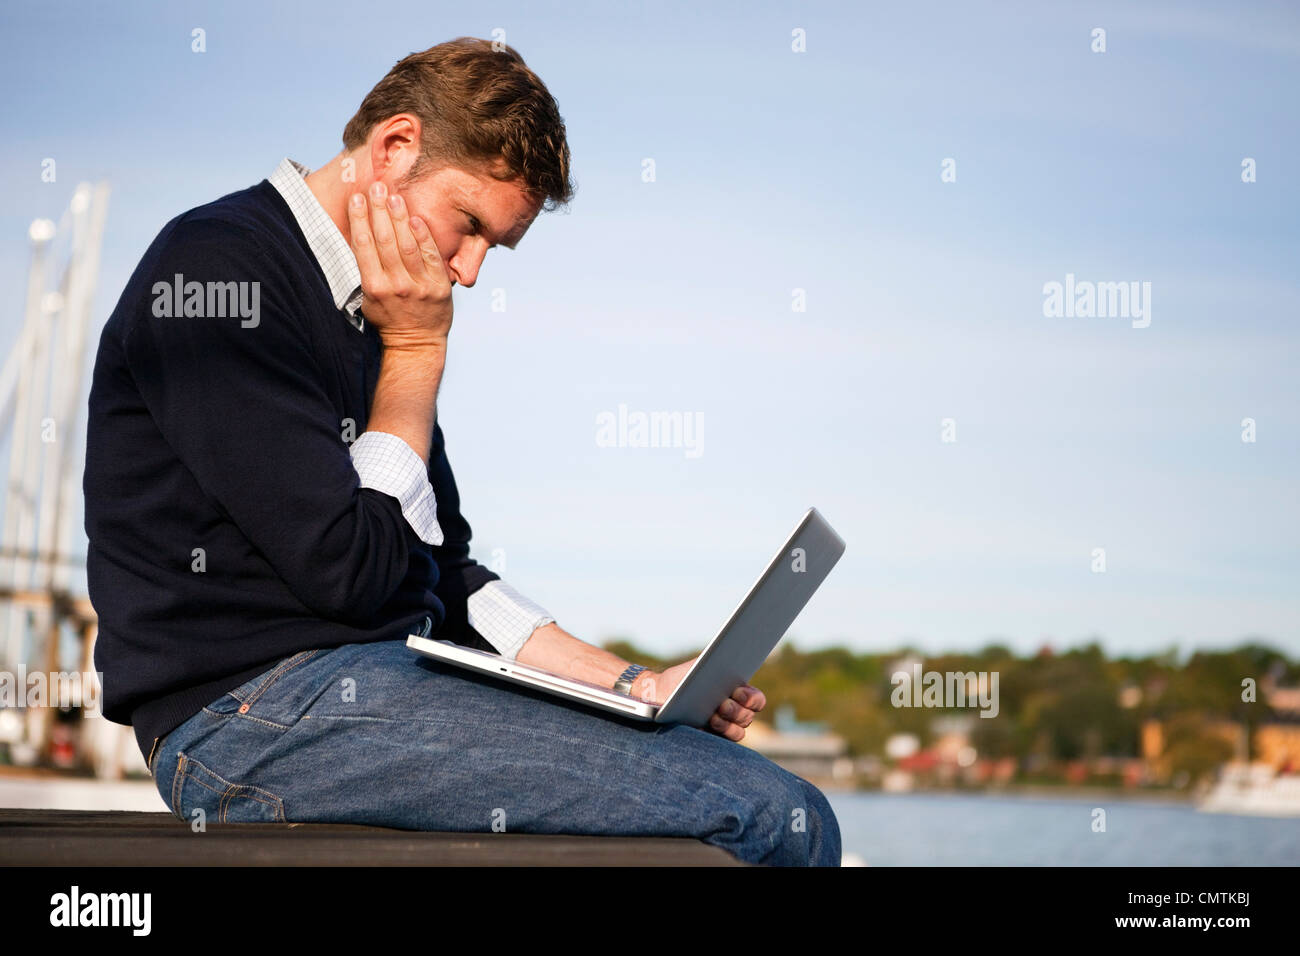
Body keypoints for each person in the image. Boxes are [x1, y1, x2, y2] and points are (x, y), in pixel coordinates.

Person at [83, 36, 840, 866]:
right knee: (767, 813)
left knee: (772, 798)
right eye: (469, 225)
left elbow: (440, 569)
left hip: (362, 685)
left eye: (493, 248)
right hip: (245, 716)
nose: (470, 273)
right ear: (395, 146)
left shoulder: (382, 308)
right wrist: (413, 354)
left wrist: (633, 685)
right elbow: (348, 570)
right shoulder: (217, 271)